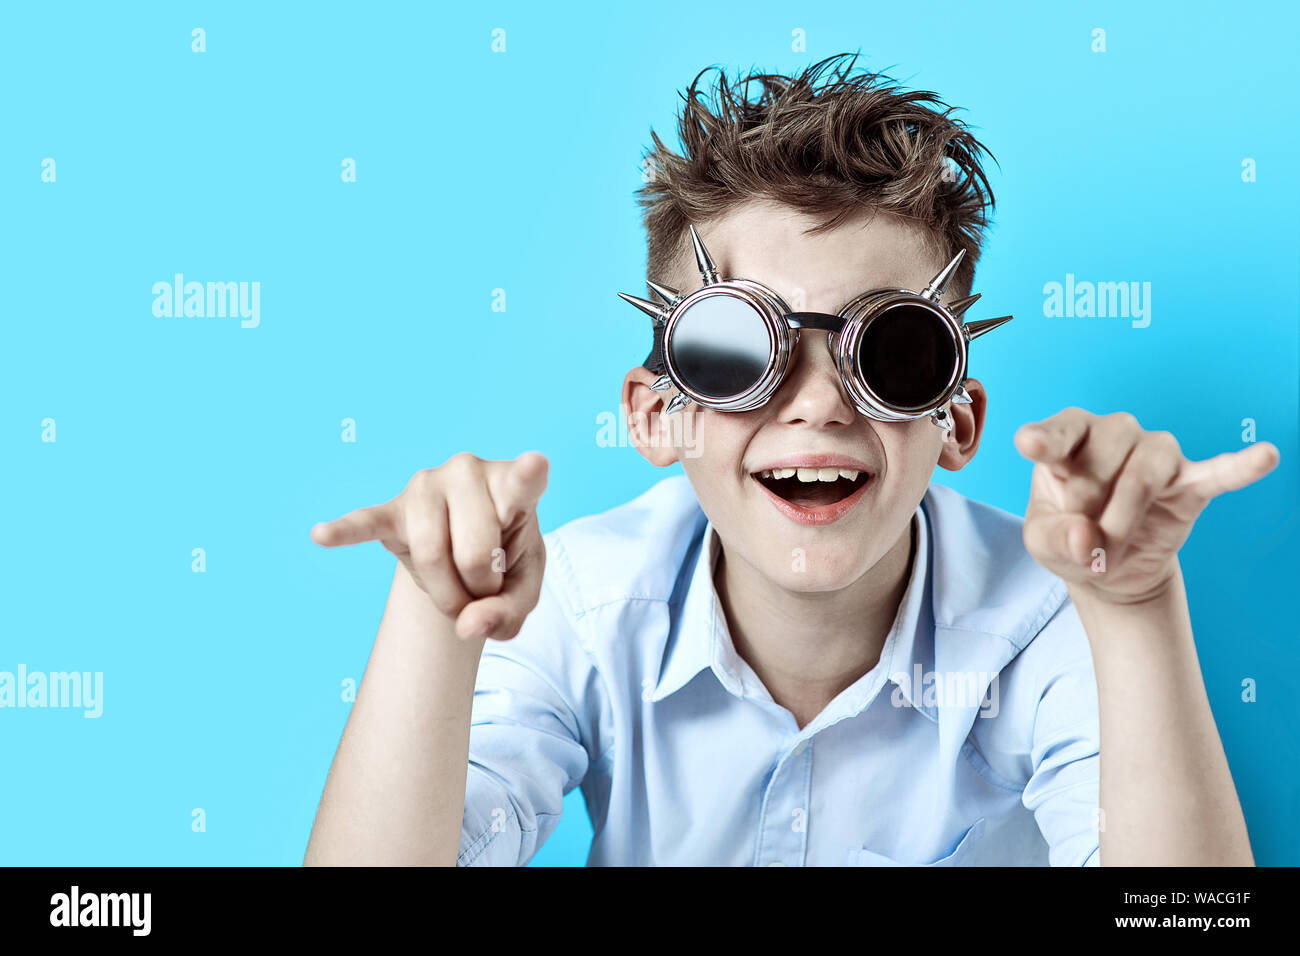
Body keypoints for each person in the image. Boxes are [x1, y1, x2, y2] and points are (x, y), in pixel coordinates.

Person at [302, 53, 1276, 866]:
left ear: (957, 423)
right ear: (654, 415)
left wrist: (1136, 607)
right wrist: (437, 618)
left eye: (891, 353)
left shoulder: (1045, 617)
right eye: (735, 350)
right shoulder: (588, 605)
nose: (815, 400)